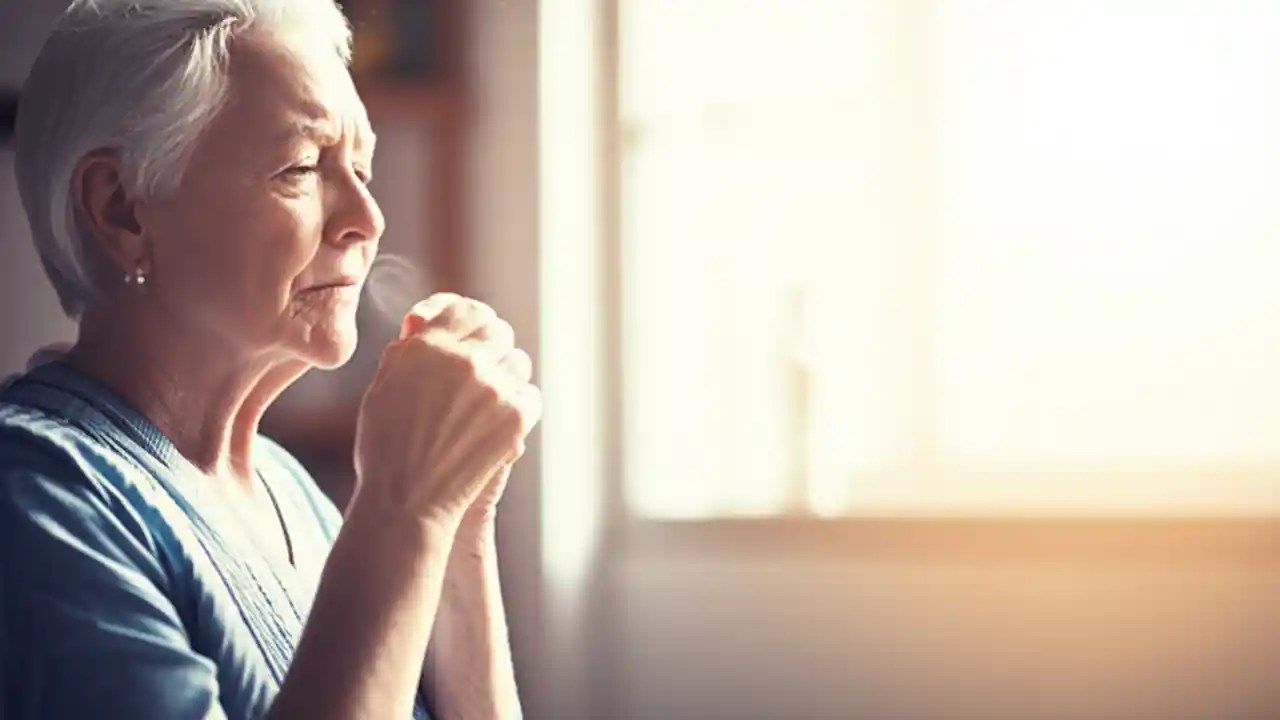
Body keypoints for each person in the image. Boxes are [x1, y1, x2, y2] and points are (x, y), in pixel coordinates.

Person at [0, 1, 540, 718]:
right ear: (123, 208)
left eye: (362, 167)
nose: (367, 220)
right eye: (303, 166)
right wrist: (406, 503)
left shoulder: (292, 494)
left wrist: (458, 514)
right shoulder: (41, 499)